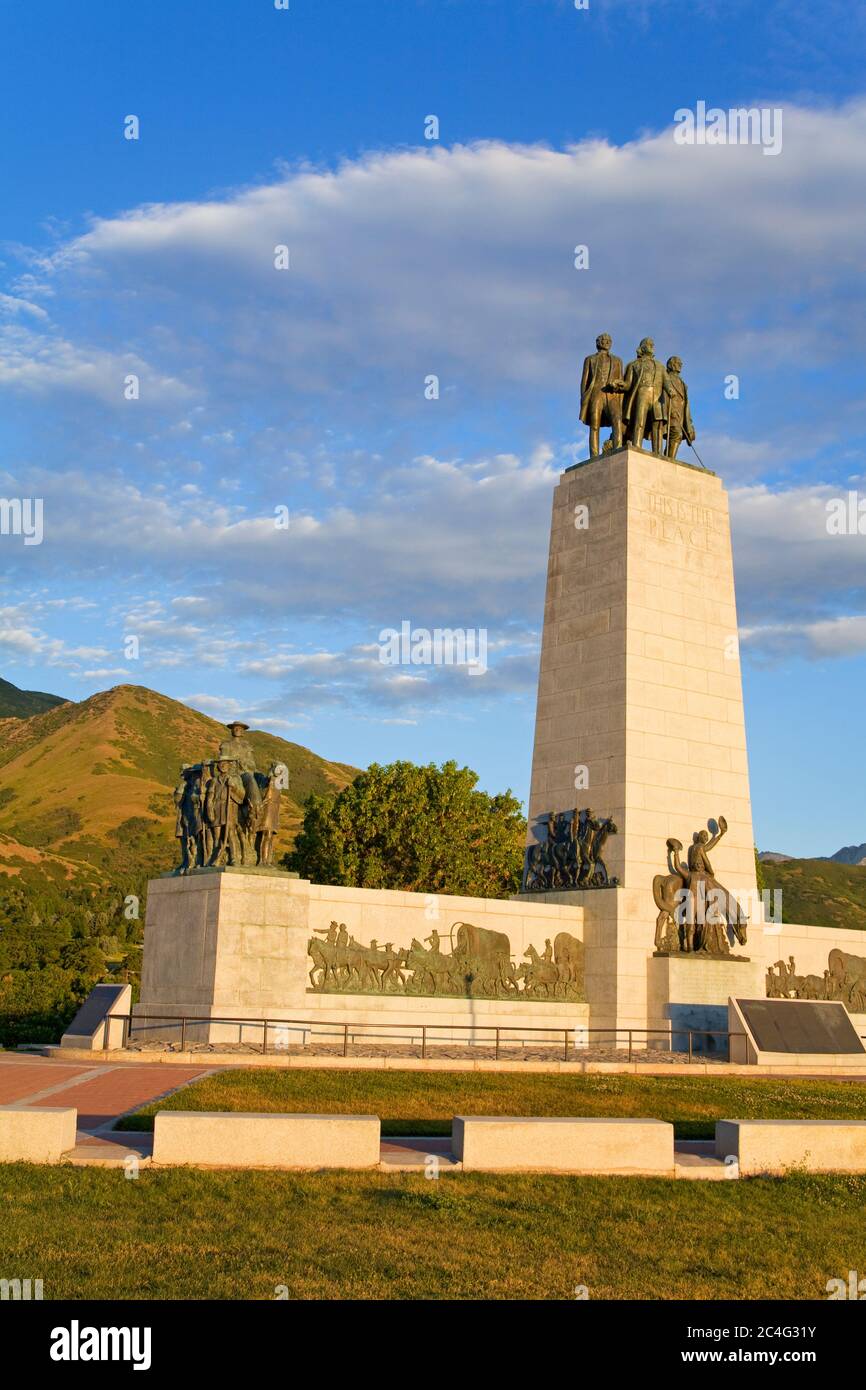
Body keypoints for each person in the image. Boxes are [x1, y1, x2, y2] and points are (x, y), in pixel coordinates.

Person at [579, 332, 625, 457]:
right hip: (596, 394)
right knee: (594, 425)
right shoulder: (590, 359)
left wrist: (617, 384)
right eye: (603, 340)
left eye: (608, 340)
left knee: (617, 420)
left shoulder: (617, 360)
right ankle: (594, 455)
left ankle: (618, 450)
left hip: (612, 395)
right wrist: (584, 399)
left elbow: (622, 381)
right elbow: (584, 381)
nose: (606, 342)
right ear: (598, 343)